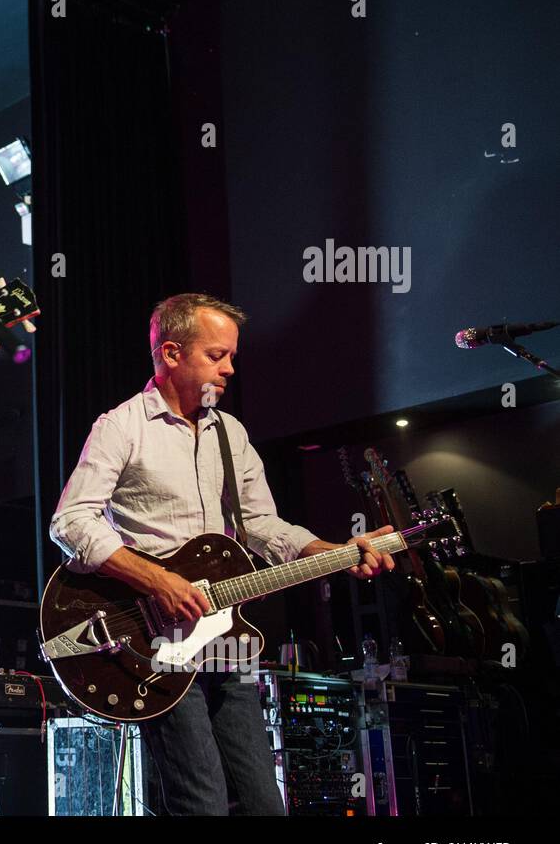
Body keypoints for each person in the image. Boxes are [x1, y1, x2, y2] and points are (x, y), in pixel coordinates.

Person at [49, 293, 394, 815]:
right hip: (154, 643)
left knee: (265, 803)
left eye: (231, 355)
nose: (231, 368)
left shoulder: (230, 433)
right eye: (217, 355)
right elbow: (71, 521)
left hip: (224, 642)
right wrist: (155, 580)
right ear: (170, 354)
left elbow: (263, 526)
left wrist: (340, 552)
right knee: (202, 802)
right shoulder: (121, 426)